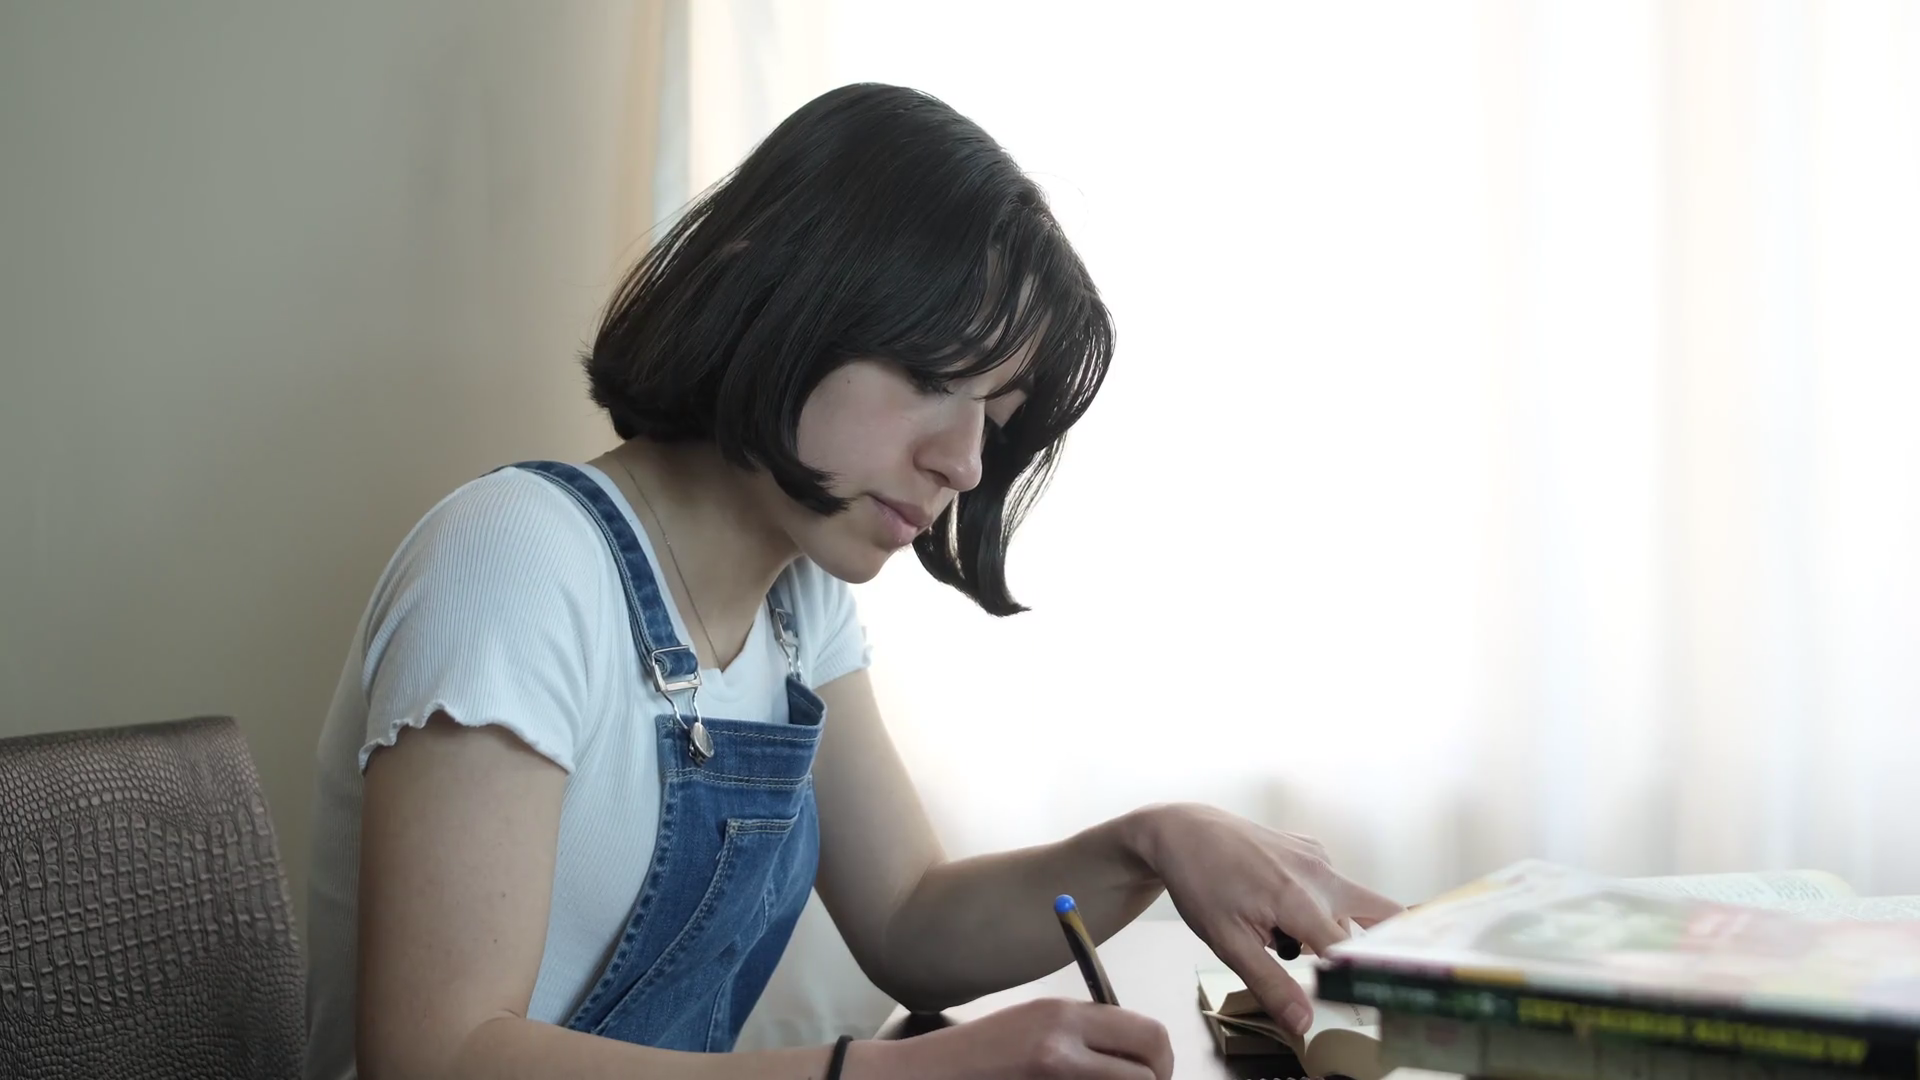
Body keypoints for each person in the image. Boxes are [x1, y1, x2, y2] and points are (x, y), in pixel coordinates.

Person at [302, 82, 1402, 1080]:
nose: (966, 464)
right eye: (932, 376)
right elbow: (436, 1054)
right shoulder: (518, 558)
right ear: (768, 291)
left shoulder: (799, 605)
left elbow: (910, 920)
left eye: (995, 421)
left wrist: (1151, 841)